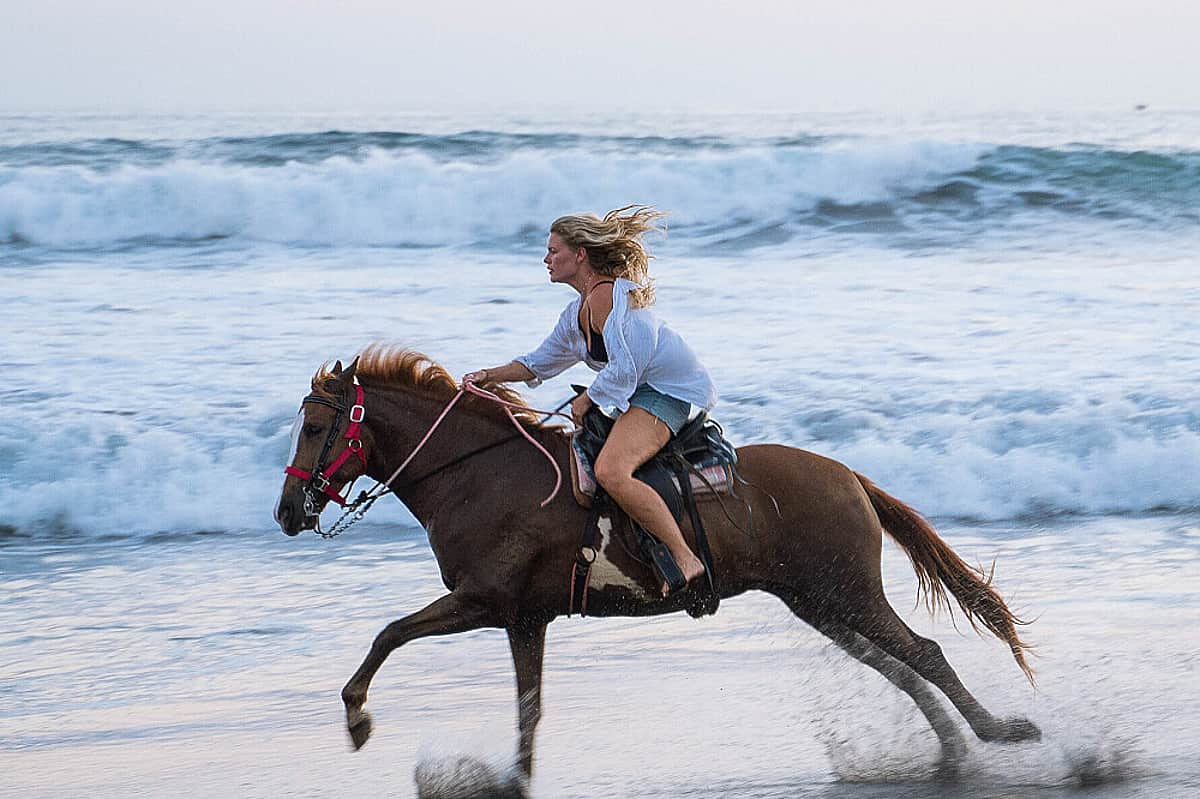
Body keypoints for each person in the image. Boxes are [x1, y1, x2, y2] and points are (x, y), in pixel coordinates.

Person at [464, 205, 718, 596]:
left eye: (553, 251)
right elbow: (539, 363)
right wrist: (487, 376)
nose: (546, 259)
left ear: (580, 254)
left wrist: (589, 400)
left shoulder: (610, 299)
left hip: (667, 393)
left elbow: (627, 368)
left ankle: (685, 557)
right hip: (636, 393)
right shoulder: (576, 312)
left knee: (611, 471)